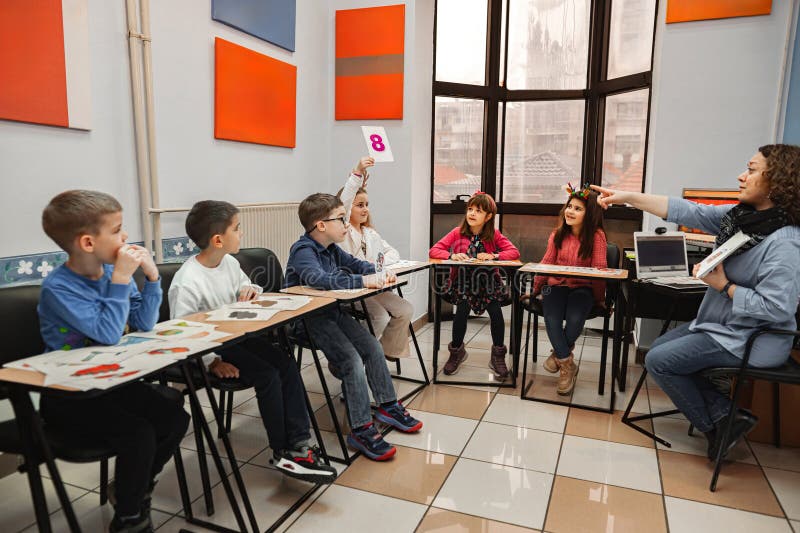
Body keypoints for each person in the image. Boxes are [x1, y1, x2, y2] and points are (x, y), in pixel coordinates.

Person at [592, 143, 800, 460]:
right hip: (722, 327)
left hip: (755, 338)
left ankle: (718, 423)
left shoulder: (785, 243)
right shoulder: (742, 218)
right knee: (659, 352)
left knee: (659, 360)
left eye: (752, 170)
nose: (741, 176)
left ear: (778, 182)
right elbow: (688, 210)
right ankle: (726, 416)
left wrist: (724, 285)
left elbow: (777, 308)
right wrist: (628, 198)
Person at [37, 190, 190, 533]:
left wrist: (151, 278)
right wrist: (122, 278)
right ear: (89, 242)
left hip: (109, 382)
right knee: (139, 434)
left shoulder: (109, 273)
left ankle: (131, 493)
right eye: (118, 230)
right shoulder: (59, 288)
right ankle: (130, 520)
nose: (125, 238)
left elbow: (144, 323)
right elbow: (107, 333)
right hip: (68, 395)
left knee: (175, 418)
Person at [169, 200, 337, 484]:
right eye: (237, 228)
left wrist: (250, 289)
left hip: (237, 337)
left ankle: (299, 442)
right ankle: (282, 451)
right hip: (212, 349)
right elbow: (183, 334)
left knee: (285, 364)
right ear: (218, 239)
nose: (242, 234)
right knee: (268, 374)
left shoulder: (229, 262)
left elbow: (249, 286)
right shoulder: (187, 282)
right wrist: (212, 362)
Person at [284, 193, 423, 461]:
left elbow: (355, 264)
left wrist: (377, 272)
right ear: (321, 225)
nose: (346, 223)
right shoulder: (303, 250)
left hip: (329, 311)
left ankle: (388, 405)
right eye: (340, 218)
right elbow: (319, 279)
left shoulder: (331, 249)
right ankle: (360, 429)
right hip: (306, 318)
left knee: (371, 346)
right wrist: (363, 280)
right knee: (350, 359)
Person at [429, 192, 521, 380]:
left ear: (488, 217)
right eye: (470, 209)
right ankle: (457, 351)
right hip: (462, 282)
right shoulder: (457, 232)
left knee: (496, 313)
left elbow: (513, 251)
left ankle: (498, 356)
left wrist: (494, 256)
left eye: (478, 211)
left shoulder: (493, 235)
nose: (472, 213)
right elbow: (434, 250)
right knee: (461, 310)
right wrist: (451, 255)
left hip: (488, 284)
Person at [532, 184, 607, 395]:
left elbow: (600, 271)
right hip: (554, 287)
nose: (570, 211)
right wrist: (536, 289)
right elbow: (546, 263)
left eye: (577, 209)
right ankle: (566, 364)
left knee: (575, 319)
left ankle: (558, 354)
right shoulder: (557, 234)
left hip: (582, 288)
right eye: (569, 206)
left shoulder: (597, 236)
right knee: (552, 318)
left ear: (589, 214)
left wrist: (600, 299)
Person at [336, 156, 413, 361]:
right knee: (380, 316)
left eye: (367, 204)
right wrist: (357, 172)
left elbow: (392, 253)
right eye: (359, 205)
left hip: (373, 286)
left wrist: (377, 265)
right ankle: (354, 355)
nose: (365, 209)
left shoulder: (370, 233)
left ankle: (382, 351)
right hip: (353, 289)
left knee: (406, 308)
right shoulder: (342, 230)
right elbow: (343, 200)